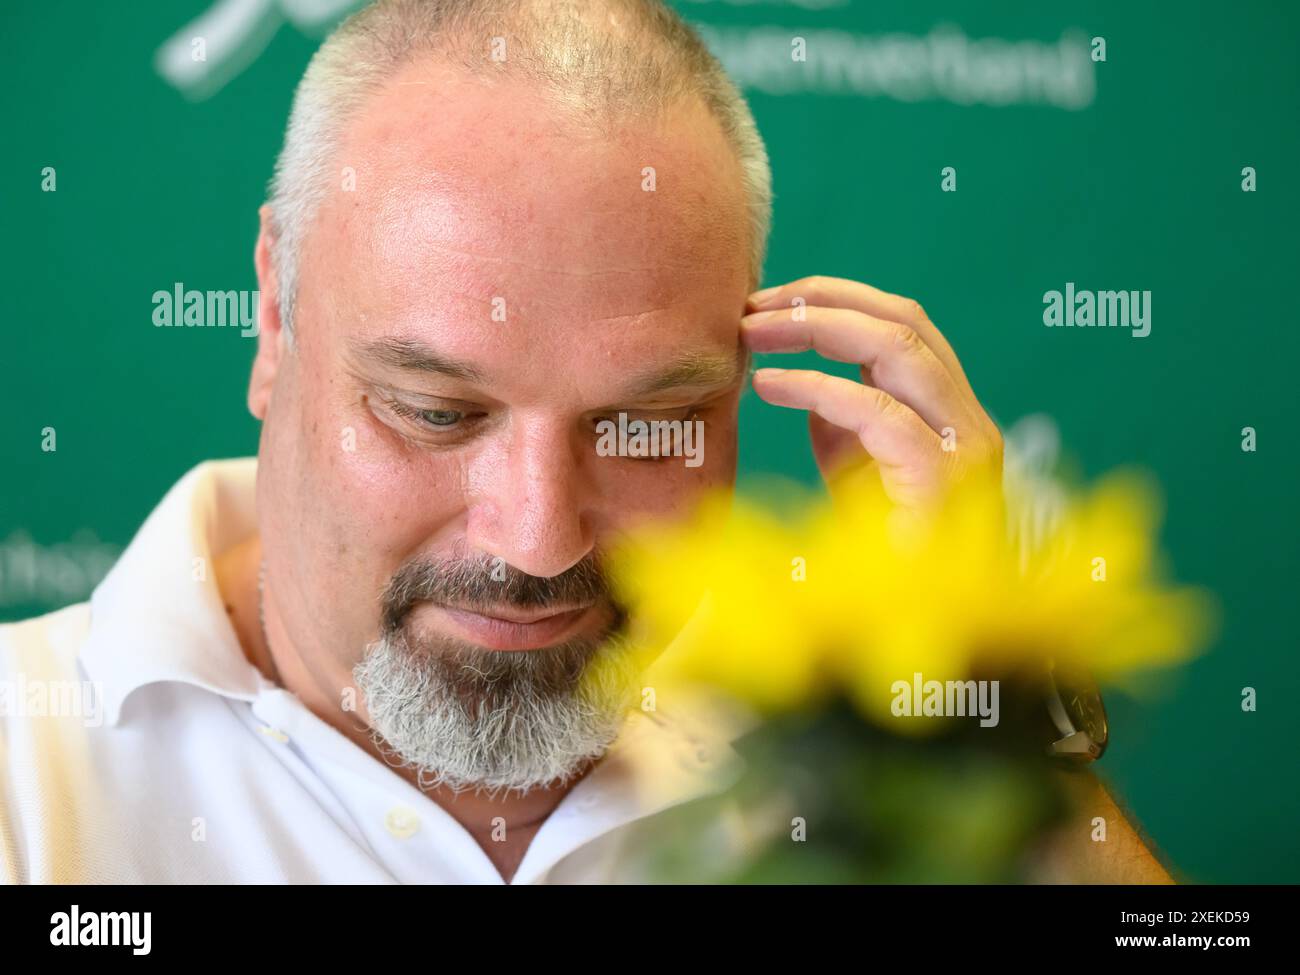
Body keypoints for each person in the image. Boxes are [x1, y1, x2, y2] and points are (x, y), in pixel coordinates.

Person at [0, 0, 1172, 884]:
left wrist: (995, 715)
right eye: (438, 412)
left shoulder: (867, 759)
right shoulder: (25, 773)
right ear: (274, 313)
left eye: (645, 427)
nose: (539, 534)